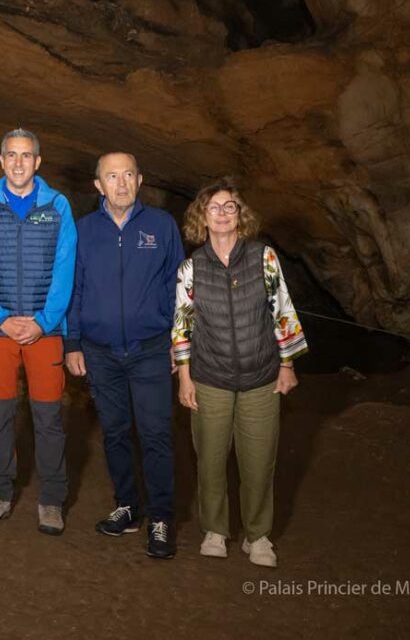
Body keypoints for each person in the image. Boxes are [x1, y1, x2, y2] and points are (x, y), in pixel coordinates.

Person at [172, 181, 308, 567]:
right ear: (202, 216)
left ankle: (258, 535)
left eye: (229, 206)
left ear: (240, 215)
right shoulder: (191, 267)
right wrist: (184, 378)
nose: (221, 212)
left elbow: (282, 310)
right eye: (213, 207)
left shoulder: (263, 257)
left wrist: (287, 364)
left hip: (261, 377)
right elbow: (182, 327)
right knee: (210, 459)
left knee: (259, 460)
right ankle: (215, 529)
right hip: (209, 378)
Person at [64, 152, 184, 558]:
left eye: (128, 175)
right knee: (114, 433)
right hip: (99, 352)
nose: (121, 183)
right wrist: (73, 343)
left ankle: (162, 517)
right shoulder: (82, 230)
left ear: (140, 180)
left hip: (150, 349)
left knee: (156, 435)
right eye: (111, 176)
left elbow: (177, 286)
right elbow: (74, 290)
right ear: (98, 185)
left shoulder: (161, 226)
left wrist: (176, 340)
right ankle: (128, 507)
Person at [0, 128, 76, 535]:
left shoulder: (58, 206)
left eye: (26, 156)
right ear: (1, 160)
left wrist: (44, 320)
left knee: (47, 418)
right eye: (11, 155)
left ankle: (51, 500)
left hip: (45, 331)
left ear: (38, 162)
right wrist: (0, 318)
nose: (18, 162)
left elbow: (66, 269)